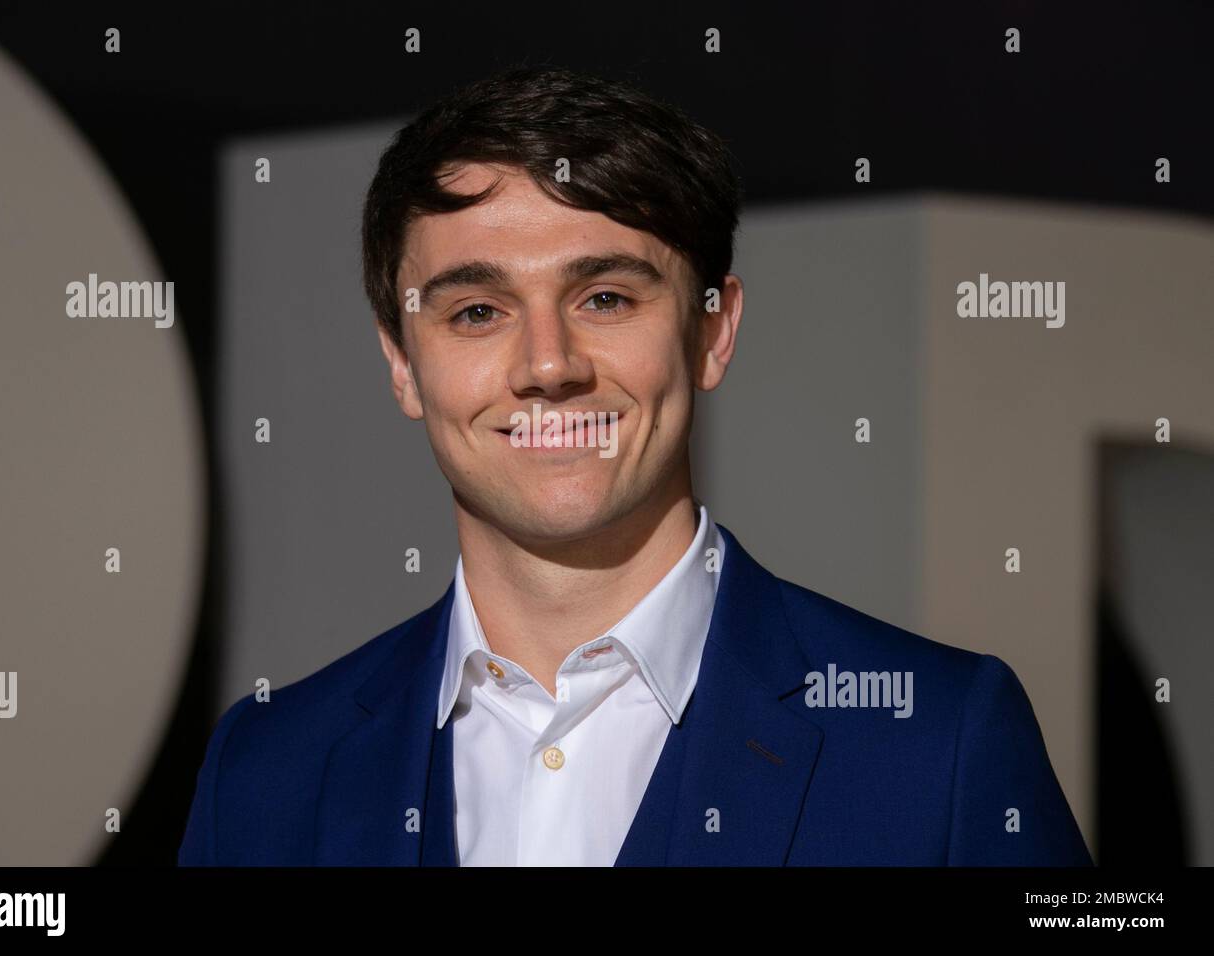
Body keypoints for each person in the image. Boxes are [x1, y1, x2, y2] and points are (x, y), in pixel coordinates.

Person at [179, 65, 1092, 866]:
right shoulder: (267, 771)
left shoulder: (938, 742)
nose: (548, 365)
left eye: (606, 297)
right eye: (477, 312)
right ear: (400, 362)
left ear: (714, 330)